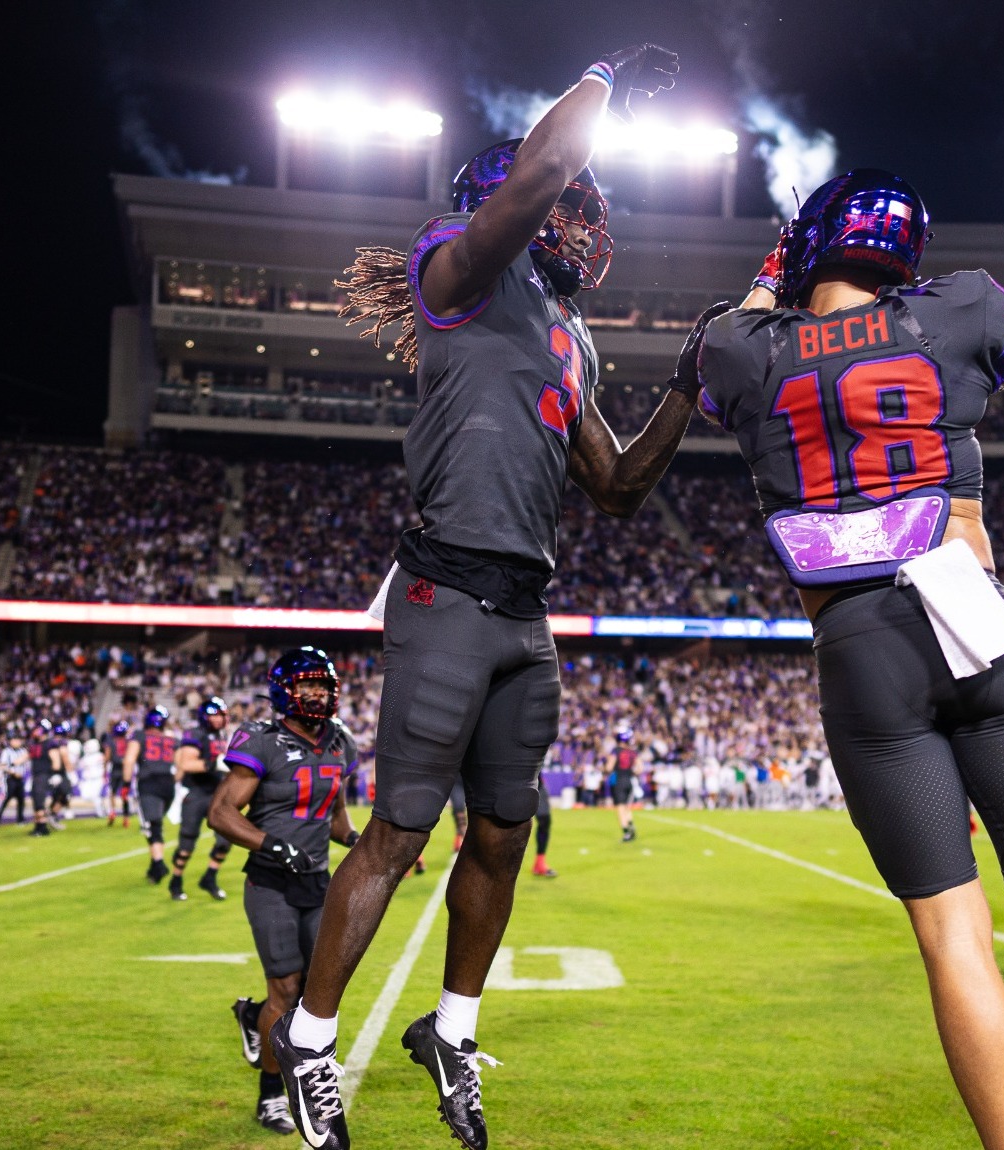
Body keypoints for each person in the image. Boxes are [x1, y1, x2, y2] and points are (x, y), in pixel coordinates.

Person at [695, 168, 1004, 1149]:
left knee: (955, 934)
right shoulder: (958, 307)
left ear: (811, 245)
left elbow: (734, 329)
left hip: (862, 642)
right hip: (975, 616)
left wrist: (772, 269)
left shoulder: (742, 347)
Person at [279, 43, 700, 1150]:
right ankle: (310, 1045)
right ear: (510, 200)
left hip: (525, 609)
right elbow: (545, 171)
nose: (585, 222)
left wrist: (692, 389)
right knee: (398, 834)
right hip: (443, 588)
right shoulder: (457, 270)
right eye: (572, 206)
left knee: (504, 835)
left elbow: (616, 485)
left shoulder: (575, 338)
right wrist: (603, 74)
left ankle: (450, 1031)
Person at [209, 650, 360, 1136]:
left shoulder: (340, 742)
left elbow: (336, 818)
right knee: (288, 989)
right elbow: (223, 813)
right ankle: (270, 1097)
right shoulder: (263, 740)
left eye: (323, 685)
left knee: (317, 994)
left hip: (318, 883)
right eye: (307, 685)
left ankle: (253, 1016)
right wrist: (274, 845)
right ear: (284, 691)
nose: (317, 693)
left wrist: (363, 845)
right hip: (270, 881)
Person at [169, 696, 234, 903]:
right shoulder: (194, 733)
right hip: (196, 793)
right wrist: (213, 764)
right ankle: (176, 880)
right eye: (215, 715)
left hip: (217, 794)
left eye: (221, 715)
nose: (219, 719)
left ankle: (210, 876)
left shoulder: (221, 735)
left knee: (226, 840)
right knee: (187, 843)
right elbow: (186, 764)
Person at [125, 707, 178, 877]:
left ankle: (158, 865)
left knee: (152, 826)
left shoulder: (139, 735)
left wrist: (126, 784)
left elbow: (129, 760)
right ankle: (155, 864)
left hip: (149, 783)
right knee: (156, 826)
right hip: (168, 784)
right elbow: (180, 765)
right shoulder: (171, 739)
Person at [29, 719, 73, 838]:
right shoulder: (38, 744)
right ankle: (42, 823)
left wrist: (63, 773)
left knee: (65, 794)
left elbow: (60, 760)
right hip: (46, 774)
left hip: (54, 774)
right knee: (39, 799)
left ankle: (51, 815)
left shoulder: (52, 743)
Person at [608, 726, 639, 842]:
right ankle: (631, 826)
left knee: (620, 807)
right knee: (626, 806)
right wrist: (630, 772)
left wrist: (605, 769)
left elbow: (609, 766)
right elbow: (639, 768)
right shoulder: (632, 752)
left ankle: (627, 832)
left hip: (618, 780)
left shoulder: (615, 751)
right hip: (629, 780)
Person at [0, 732, 31, 824]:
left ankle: (20, 819)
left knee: (21, 799)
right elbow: (3, 766)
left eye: (18, 740)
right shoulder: (6, 752)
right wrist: (13, 773)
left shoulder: (23, 751)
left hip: (20, 778)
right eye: (15, 740)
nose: (17, 742)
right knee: (8, 797)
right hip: (11, 778)